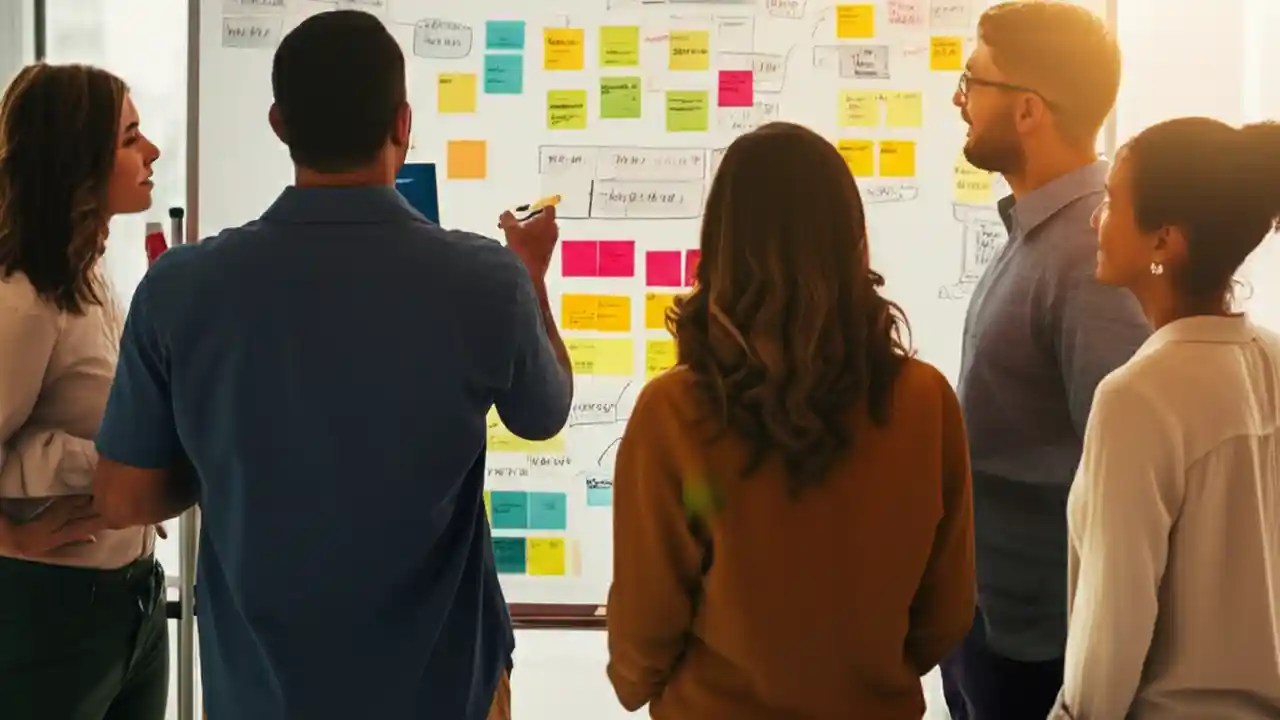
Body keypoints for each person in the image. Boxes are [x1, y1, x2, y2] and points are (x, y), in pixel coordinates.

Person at [90, 10, 572, 720]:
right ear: (404, 124)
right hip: (445, 691)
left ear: (280, 124)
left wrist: (228, 457)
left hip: (260, 694)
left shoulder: (182, 287)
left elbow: (125, 499)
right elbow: (544, 413)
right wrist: (530, 274)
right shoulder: (485, 280)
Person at [605, 121, 975, 719]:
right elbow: (947, 612)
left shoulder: (674, 414)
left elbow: (643, 636)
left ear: (721, 246)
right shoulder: (926, 401)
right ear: (853, 238)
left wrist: (640, 680)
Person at [942, 2, 1153, 718]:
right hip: (992, 621)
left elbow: (1122, 473)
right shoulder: (1037, 234)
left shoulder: (1088, 257)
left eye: (973, 80)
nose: (957, 98)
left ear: (1027, 110)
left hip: (1042, 648)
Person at [1049, 118, 1280, 719]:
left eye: (1111, 203)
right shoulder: (1273, 362)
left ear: (1163, 243)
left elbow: (1113, 621)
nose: (1095, 221)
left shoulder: (1136, 398)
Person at [0, 63, 166, 719]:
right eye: (130, 138)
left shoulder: (89, 278)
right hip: (52, 611)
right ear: (78, 160)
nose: (151, 152)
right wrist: (14, 540)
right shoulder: (24, 302)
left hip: (134, 603)